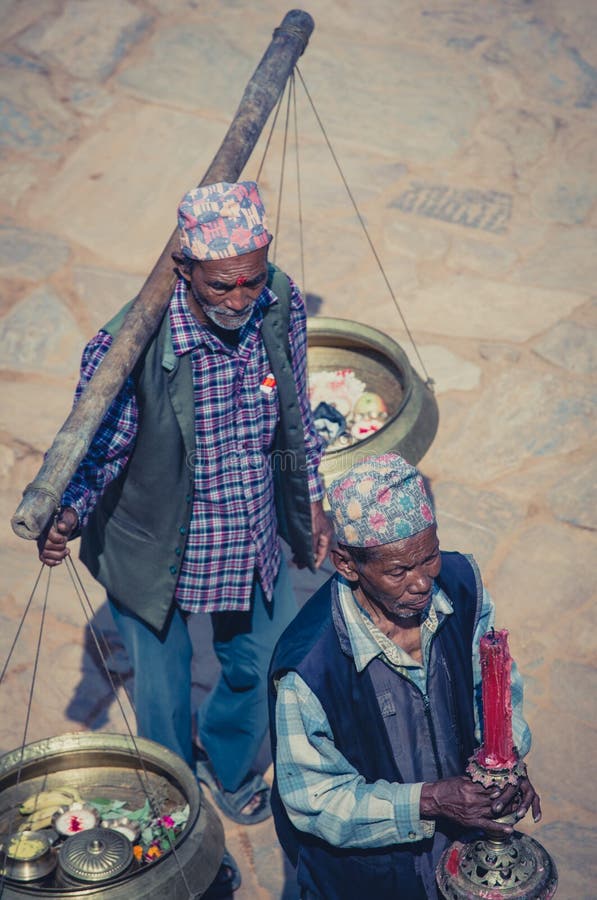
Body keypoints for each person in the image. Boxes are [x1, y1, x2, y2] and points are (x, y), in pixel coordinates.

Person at [39, 180, 333, 896]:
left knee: (258, 663)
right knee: (162, 692)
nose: (239, 298)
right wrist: (70, 510)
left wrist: (311, 496)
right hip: (158, 547)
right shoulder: (131, 343)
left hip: (251, 533)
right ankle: (177, 790)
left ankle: (230, 767)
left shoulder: (279, 303)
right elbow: (100, 447)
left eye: (251, 280)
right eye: (222, 284)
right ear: (184, 270)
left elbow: (293, 410)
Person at [269, 452, 541, 900]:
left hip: (462, 848)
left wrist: (506, 761)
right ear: (347, 564)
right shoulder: (309, 667)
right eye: (398, 570)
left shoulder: (462, 584)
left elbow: (495, 685)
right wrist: (429, 801)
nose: (421, 583)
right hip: (372, 878)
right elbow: (314, 800)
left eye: (428, 557)